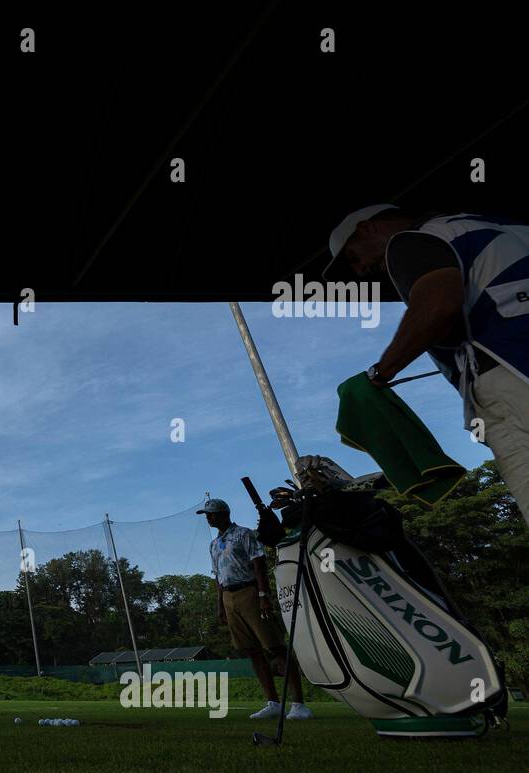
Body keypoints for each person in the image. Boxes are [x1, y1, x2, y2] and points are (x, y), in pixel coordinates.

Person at [325, 204, 529, 524]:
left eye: (354, 258)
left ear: (367, 228)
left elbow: (437, 304)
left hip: (513, 376)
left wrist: (381, 373)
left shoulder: (410, 242)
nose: (361, 270)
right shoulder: (501, 227)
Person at [199, 499, 311, 721]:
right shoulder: (213, 544)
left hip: (249, 592)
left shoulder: (243, 534)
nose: (208, 517)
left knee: (275, 647)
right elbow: (218, 577)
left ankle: (298, 703)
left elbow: (258, 564)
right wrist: (220, 605)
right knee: (251, 650)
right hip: (229, 596)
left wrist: (263, 596)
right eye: (207, 514)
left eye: (211, 514)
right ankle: (273, 703)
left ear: (224, 513)